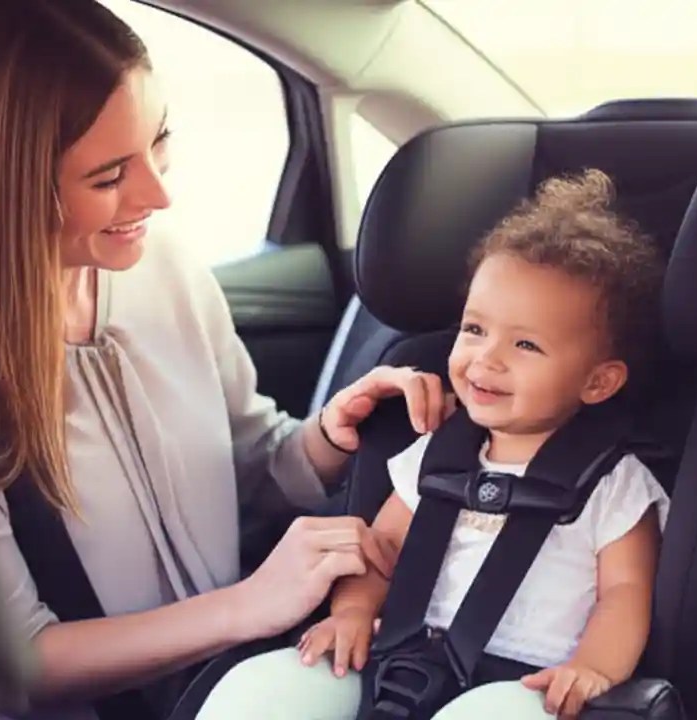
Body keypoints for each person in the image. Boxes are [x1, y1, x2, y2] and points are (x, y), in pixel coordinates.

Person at [0, 0, 446, 715]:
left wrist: (325, 441)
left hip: (228, 684)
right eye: (108, 177)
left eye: (159, 141)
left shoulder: (163, 271)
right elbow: (9, 663)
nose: (158, 194)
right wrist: (249, 606)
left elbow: (252, 466)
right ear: (6, 184)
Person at [196, 169, 672, 720]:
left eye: (525, 344)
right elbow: (381, 550)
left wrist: (592, 668)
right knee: (273, 683)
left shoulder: (617, 485)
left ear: (598, 381)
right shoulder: (435, 453)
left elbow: (625, 594)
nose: (486, 358)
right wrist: (352, 612)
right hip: (397, 657)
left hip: (524, 684)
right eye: (474, 330)